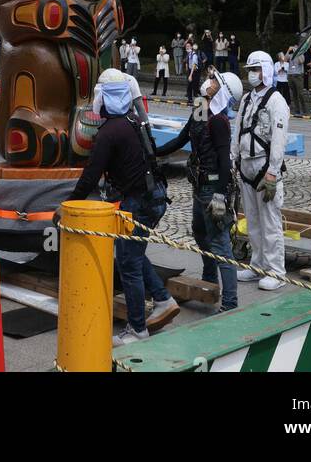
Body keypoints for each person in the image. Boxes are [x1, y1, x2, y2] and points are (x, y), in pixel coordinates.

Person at [68, 69, 179, 346]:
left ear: (102, 97)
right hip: (154, 196)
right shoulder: (133, 121)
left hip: (137, 202)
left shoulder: (108, 132)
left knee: (128, 263)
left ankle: (137, 328)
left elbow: (92, 173)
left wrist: (69, 203)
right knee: (134, 252)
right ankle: (163, 299)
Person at [158, 68, 243, 313]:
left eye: (214, 80)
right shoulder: (200, 107)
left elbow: (225, 163)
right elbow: (182, 138)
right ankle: (208, 282)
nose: (208, 81)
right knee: (199, 231)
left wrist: (220, 196)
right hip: (198, 186)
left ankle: (230, 303)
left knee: (221, 243)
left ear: (221, 90)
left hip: (213, 187)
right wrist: (153, 151)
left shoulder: (219, 121)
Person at [233, 51, 290, 291]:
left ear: (265, 70)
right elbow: (237, 129)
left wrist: (273, 172)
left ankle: (276, 271)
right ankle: (257, 265)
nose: (251, 74)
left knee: (270, 221)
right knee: (253, 220)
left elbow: (279, 138)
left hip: (265, 167)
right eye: (249, 70)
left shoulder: (277, 101)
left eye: (255, 69)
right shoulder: (247, 99)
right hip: (246, 166)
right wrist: (232, 158)